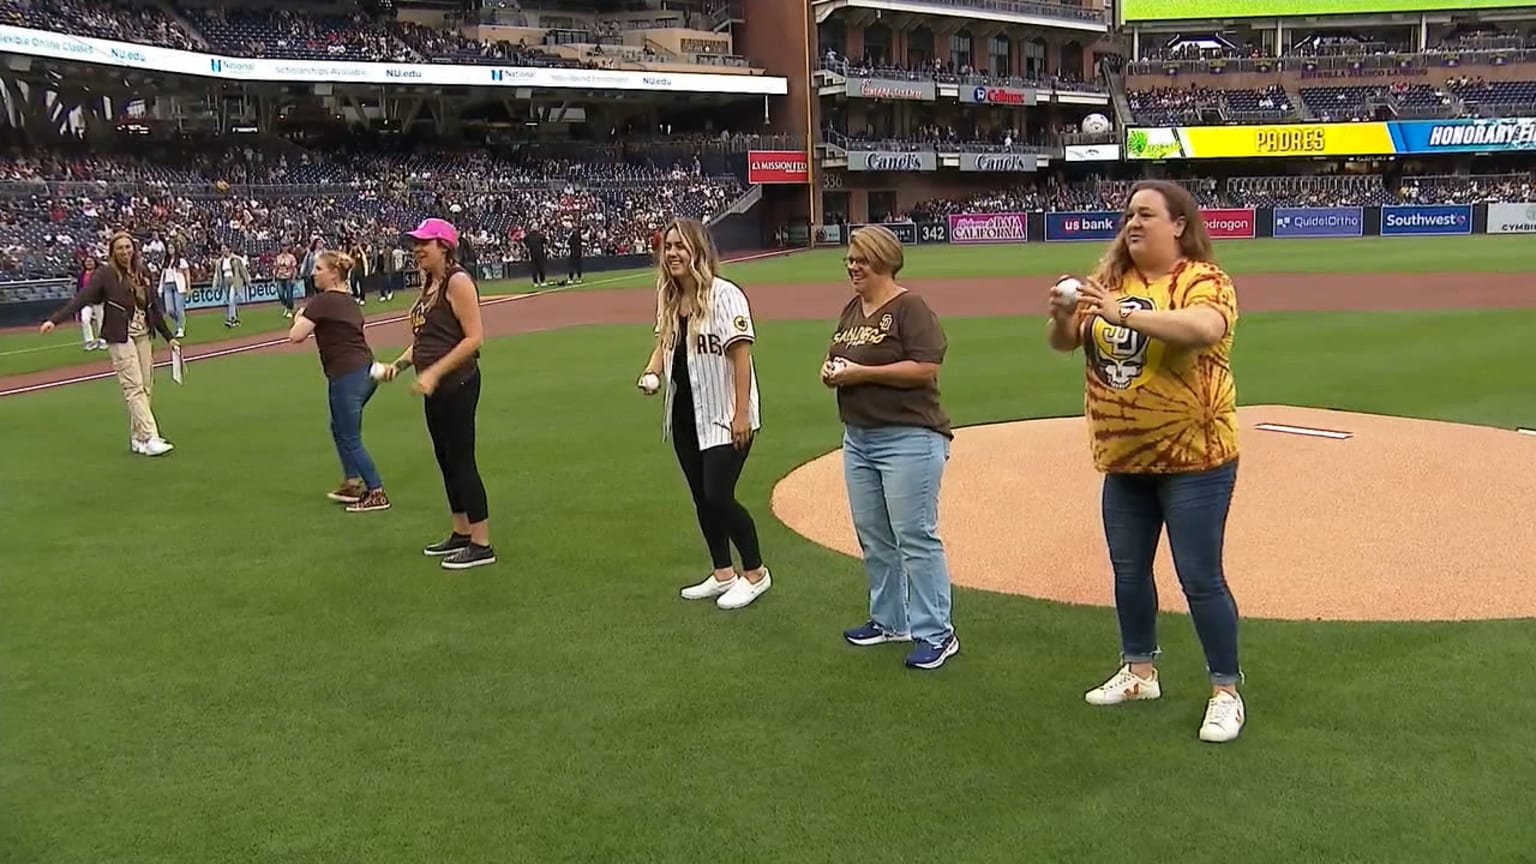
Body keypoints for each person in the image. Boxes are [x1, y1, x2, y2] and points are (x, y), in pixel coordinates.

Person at [1045, 179, 1246, 744]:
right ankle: (1139, 671)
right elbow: (1065, 342)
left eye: (1146, 214)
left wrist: (1122, 315)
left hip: (1194, 459)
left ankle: (1225, 692)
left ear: (1178, 224)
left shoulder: (1203, 281)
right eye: (1128, 214)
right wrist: (1064, 317)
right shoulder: (1111, 281)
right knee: (1129, 572)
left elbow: (1205, 328)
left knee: (1200, 577)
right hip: (1124, 456)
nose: (1132, 223)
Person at [821, 224, 958, 670]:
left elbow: (927, 367)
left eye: (859, 259)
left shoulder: (909, 307)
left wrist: (860, 374)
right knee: (876, 538)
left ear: (882, 259)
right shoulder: (852, 309)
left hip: (908, 437)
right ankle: (889, 620)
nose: (851, 266)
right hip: (858, 437)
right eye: (850, 259)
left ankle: (937, 632)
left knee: (915, 536)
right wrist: (833, 370)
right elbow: (843, 352)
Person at [637, 217, 770, 610]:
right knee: (701, 497)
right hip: (684, 413)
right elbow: (666, 340)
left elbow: (741, 355)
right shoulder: (670, 296)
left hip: (724, 414)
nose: (673, 253)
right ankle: (722, 572)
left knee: (719, 495)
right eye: (669, 246)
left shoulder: (725, 295)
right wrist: (651, 371)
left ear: (698, 250)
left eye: (681, 246)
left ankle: (756, 572)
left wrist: (741, 413)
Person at [380, 218, 495, 570]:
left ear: (444, 246)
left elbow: (474, 339)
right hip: (436, 386)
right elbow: (426, 340)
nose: (417, 249)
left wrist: (433, 373)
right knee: (445, 460)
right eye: (416, 243)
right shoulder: (430, 283)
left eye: (424, 243)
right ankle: (461, 532)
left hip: (457, 383)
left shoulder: (457, 281)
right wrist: (399, 366)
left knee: (462, 461)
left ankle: (482, 543)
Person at [41, 231, 179, 456]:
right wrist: (55, 320)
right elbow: (83, 297)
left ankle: (138, 438)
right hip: (119, 335)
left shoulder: (142, 272)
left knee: (145, 386)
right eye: (120, 248)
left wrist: (169, 336)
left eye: (128, 247)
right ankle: (150, 436)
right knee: (133, 387)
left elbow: (153, 306)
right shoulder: (105, 274)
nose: (125, 252)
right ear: (112, 251)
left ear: (133, 248)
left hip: (143, 334)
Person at [288, 250, 391, 513]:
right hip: (366, 371)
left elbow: (296, 336)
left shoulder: (322, 302)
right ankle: (351, 482)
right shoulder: (349, 300)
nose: (314, 273)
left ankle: (376, 491)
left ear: (334, 273)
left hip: (347, 376)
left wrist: (300, 316)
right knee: (339, 427)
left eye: (319, 268)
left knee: (350, 436)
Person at [159, 242, 190, 338]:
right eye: (169, 248)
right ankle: (180, 322)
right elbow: (163, 276)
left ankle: (180, 328)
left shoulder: (181, 261)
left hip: (178, 286)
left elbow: (187, 274)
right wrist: (160, 288)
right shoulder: (166, 261)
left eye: (172, 247)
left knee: (179, 309)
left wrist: (188, 287)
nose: (170, 249)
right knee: (170, 310)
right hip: (168, 285)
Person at [75, 255, 103, 350]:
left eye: (91, 261)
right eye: (87, 261)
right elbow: (79, 288)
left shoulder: (100, 273)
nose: (89, 263)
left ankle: (103, 340)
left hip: (98, 300)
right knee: (85, 319)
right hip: (86, 301)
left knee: (101, 321)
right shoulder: (82, 275)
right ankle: (89, 341)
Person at [273, 243, 299, 318]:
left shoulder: (291, 257)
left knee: (289, 294)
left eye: (286, 246)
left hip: (288, 277)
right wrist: (274, 277)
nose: (284, 248)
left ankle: (289, 310)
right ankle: (288, 306)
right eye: (283, 246)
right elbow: (276, 268)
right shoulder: (278, 257)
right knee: (280, 294)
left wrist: (293, 278)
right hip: (280, 277)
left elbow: (294, 269)